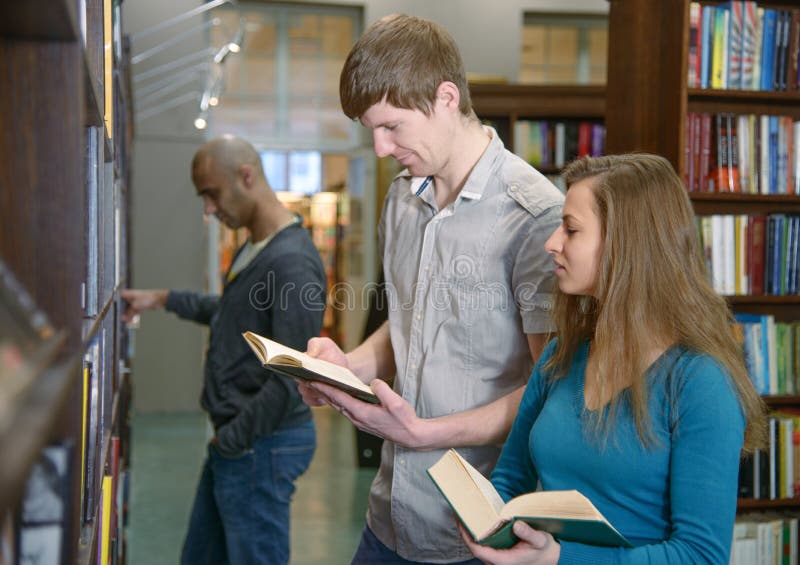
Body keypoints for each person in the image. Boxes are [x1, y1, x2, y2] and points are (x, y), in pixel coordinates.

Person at [299, 14, 564, 565]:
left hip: (479, 530)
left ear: (446, 97)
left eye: (391, 126)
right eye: (371, 129)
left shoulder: (535, 217)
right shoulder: (401, 201)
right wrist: (346, 367)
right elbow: (407, 331)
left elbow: (548, 390)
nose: (379, 147)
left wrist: (424, 433)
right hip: (389, 516)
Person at [459, 153, 766, 564]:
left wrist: (559, 560)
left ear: (627, 245)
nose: (552, 242)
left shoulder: (701, 382)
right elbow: (511, 480)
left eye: (571, 229)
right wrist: (489, 525)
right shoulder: (561, 356)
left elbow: (701, 556)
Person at [120, 135, 327, 565]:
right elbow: (232, 314)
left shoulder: (292, 263)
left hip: (259, 443)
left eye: (211, 194)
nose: (209, 210)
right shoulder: (257, 247)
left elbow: (293, 376)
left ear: (246, 176)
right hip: (241, 440)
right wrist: (161, 298)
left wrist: (231, 441)